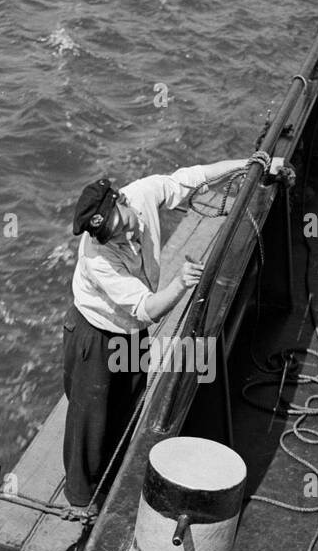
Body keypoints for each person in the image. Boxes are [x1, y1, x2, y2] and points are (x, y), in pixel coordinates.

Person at [61, 156, 281, 515]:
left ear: (122, 200)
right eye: (113, 234)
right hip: (95, 338)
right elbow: (146, 309)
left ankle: (114, 475)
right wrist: (180, 283)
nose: (124, 235)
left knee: (126, 403)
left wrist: (249, 163)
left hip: (131, 334)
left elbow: (191, 179)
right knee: (89, 417)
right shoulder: (98, 257)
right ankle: (81, 502)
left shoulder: (143, 192)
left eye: (124, 225)